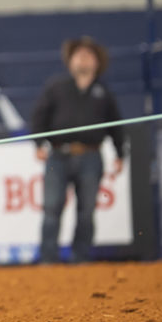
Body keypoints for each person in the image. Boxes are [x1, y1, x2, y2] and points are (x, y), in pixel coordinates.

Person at [31, 37, 127, 264]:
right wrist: (38, 144)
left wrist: (120, 154)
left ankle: (81, 257)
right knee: (51, 207)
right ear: (70, 61)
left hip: (91, 155)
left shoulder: (104, 92)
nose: (83, 57)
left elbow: (116, 125)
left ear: (97, 62)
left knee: (86, 211)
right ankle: (48, 258)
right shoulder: (57, 87)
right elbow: (39, 118)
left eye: (89, 54)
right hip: (58, 154)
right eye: (78, 54)